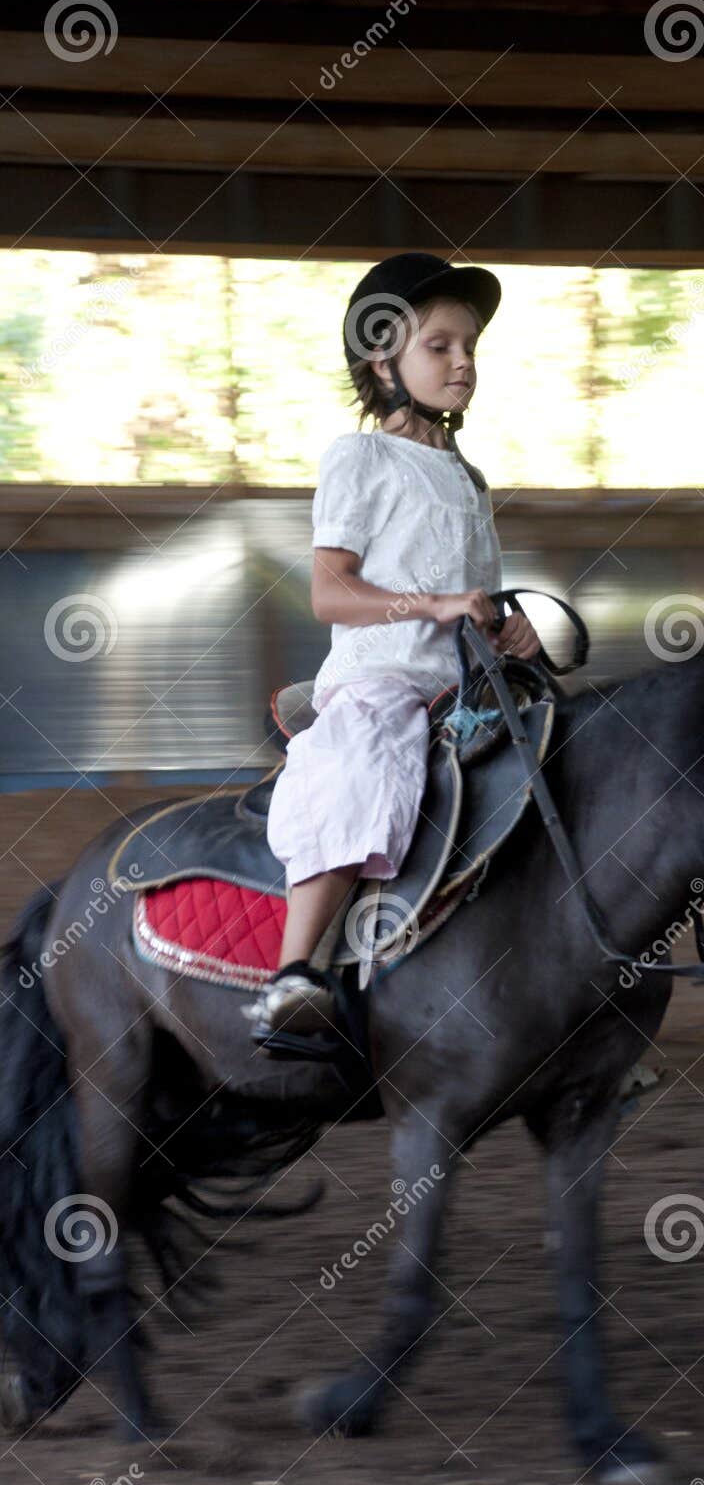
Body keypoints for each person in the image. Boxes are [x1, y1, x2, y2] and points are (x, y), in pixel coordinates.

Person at [245, 253, 541, 1051]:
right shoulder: (359, 458)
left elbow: (473, 595)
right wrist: (435, 605)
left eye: (470, 346)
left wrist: (505, 629)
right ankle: (295, 974)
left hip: (467, 689)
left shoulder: (466, 476)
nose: (464, 363)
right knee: (367, 762)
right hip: (383, 677)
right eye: (440, 346)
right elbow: (329, 591)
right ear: (384, 360)